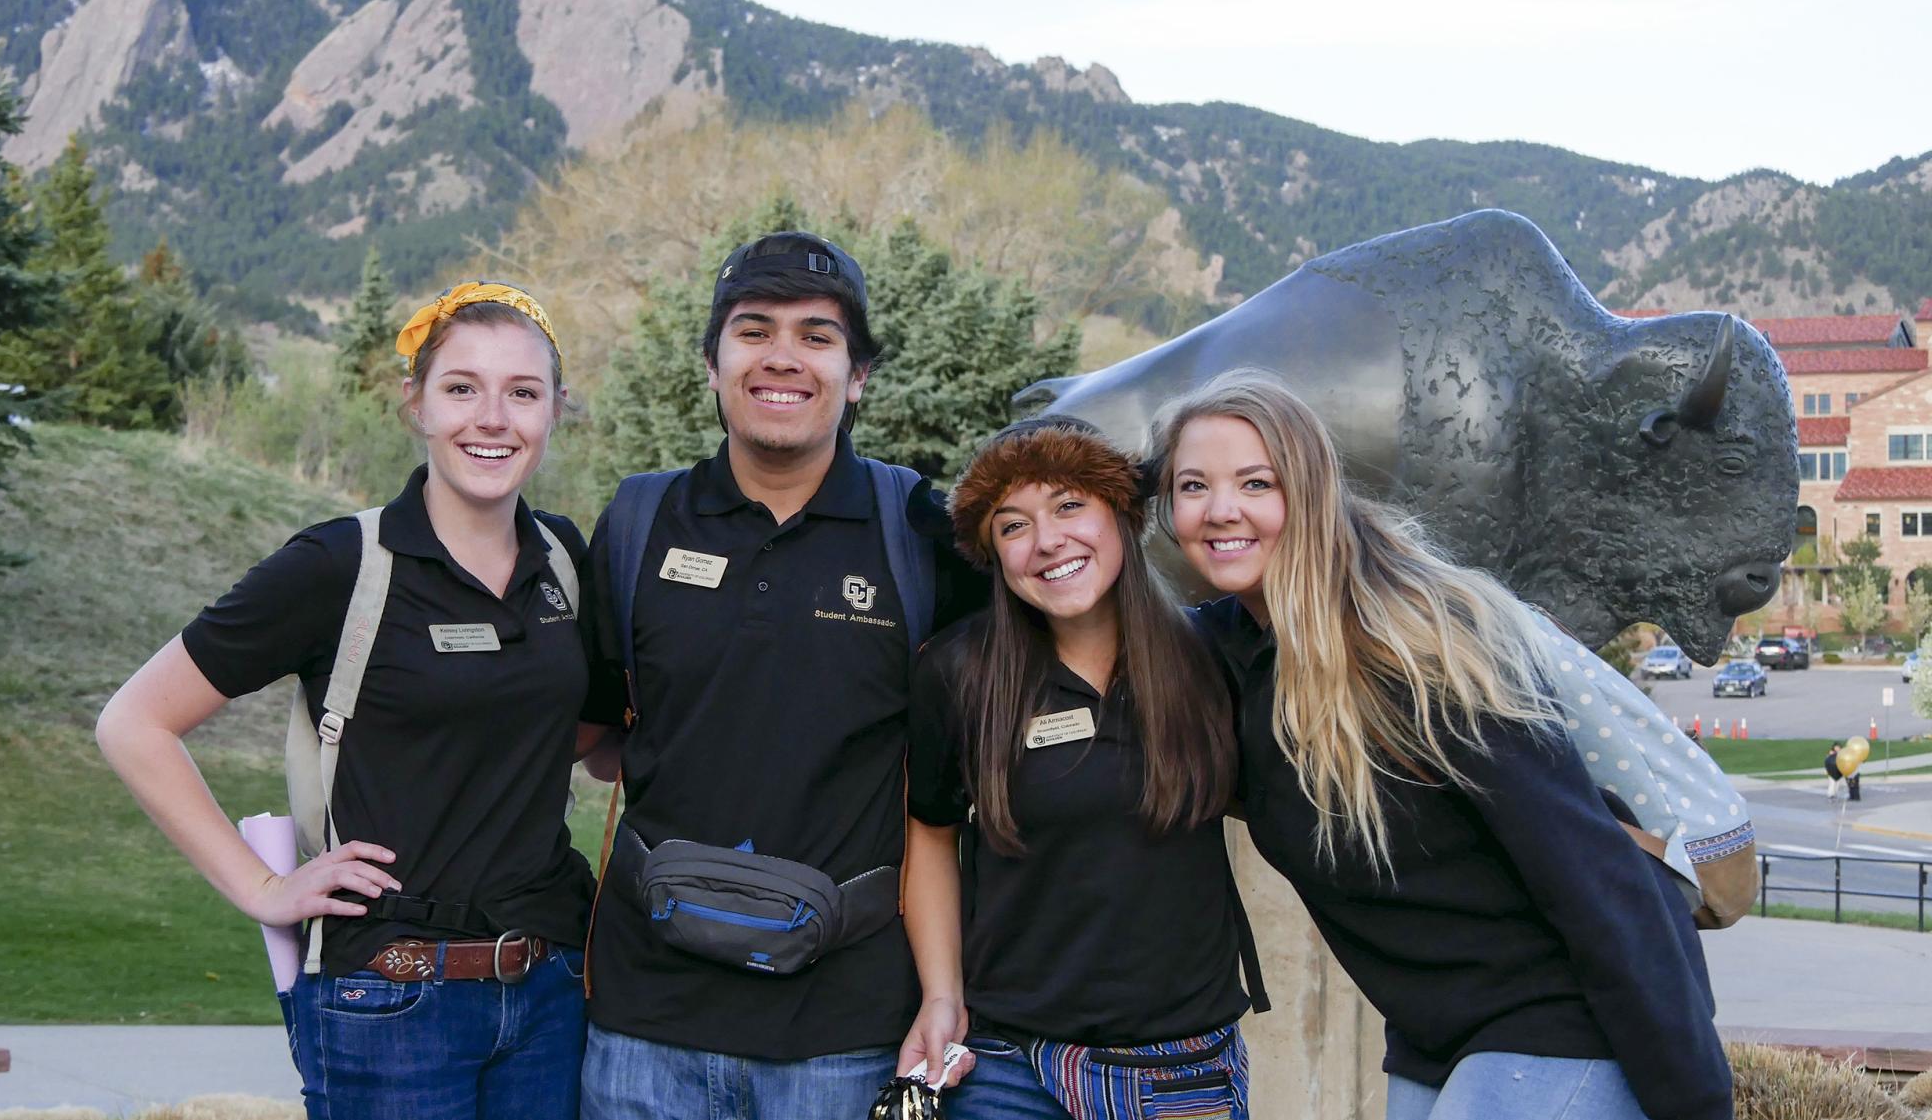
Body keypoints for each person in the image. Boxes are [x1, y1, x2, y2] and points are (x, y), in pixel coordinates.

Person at [1145, 369, 1731, 1120]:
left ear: (1312, 491)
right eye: (1193, 485)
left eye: (1255, 482)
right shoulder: (1229, 652)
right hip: (1431, 1038)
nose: (1221, 509)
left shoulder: (1423, 643)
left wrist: (1698, 1101)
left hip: (1561, 1021)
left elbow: (1592, 870)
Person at [95, 283, 595, 1120]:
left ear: (554, 411)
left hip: (549, 990)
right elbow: (134, 723)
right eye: (461, 387)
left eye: (523, 392)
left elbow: (570, 733)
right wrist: (262, 887)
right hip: (387, 1001)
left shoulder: (565, 560)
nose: (493, 417)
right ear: (416, 405)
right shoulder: (339, 565)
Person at [576, 232, 974, 1120]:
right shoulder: (640, 521)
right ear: (712, 365)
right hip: (645, 1029)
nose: (782, 357)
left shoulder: (922, 535)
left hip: (846, 1035)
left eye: (817, 335)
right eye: (753, 331)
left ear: (858, 375)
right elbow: (595, 737)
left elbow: (948, 794)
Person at [900, 416, 1258, 1120]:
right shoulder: (959, 671)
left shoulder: (1210, 652)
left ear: (1120, 512)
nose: (1048, 540)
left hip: (1179, 1071)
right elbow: (931, 833)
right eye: (1013, 525)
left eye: (1069, 505)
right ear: (993, 553)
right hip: (1008, 1069)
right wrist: (941, 994)